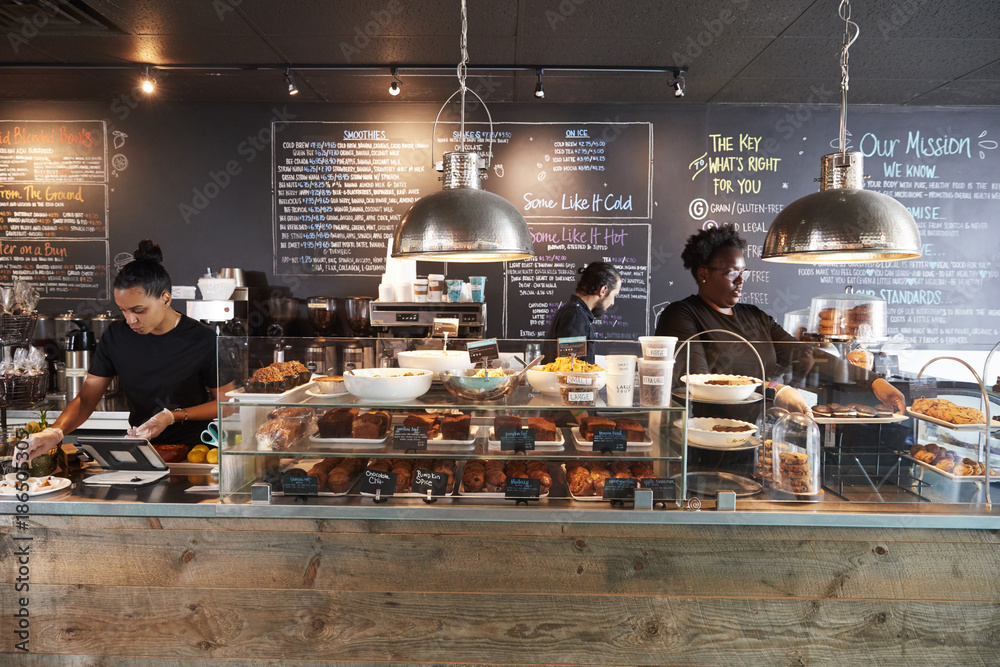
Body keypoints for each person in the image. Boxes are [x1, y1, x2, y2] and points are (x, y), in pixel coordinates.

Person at [655, 224, 905, 414]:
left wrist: (874, 382)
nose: (741, 281)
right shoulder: (682, 315)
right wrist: (774, 390)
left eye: (744, 273)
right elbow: (698, 382)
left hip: (756, 437)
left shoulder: (754, 316)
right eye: (732, 273)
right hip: (702, 440)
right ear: (703, 274)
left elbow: (806, 355)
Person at [25, 240, 233, 458]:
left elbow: (226, 405)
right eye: (123, 310)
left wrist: (172, 416)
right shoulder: (116, 337)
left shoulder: (203, 339)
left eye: (138, 310)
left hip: (196, 452)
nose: (131, 319)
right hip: (143, 451)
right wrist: (55, 432)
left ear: (165, 298)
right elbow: (86, 400)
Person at [542, 261, 621, 364]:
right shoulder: (576, 317)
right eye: (614, 296)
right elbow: (569, 368)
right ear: (603, 290)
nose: (612, 303)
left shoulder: (574, 312)